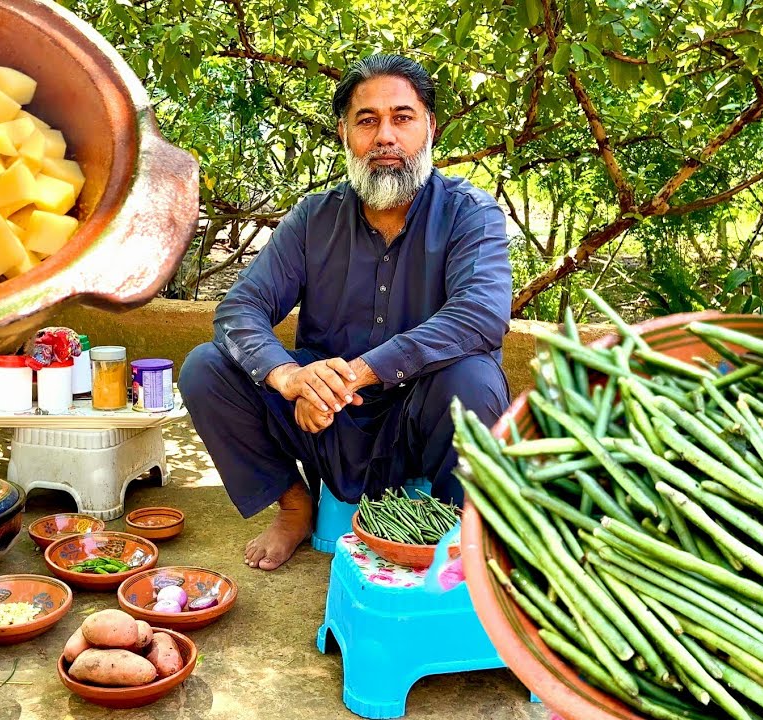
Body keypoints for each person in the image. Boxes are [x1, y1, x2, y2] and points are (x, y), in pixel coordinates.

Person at [178, 53, 513, 571]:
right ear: (344, 133)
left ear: (429, 128)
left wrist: (356, 373)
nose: (385, 136)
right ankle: (295, 507)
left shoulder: (471, 214)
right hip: (323, 422)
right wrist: (290, 377)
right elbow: (240, 308)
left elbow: (479, 315)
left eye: (402, 118)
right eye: (367, 120)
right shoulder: (315, 217)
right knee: (206, 367)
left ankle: (451, 541)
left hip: (418, 414)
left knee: (473, 380)